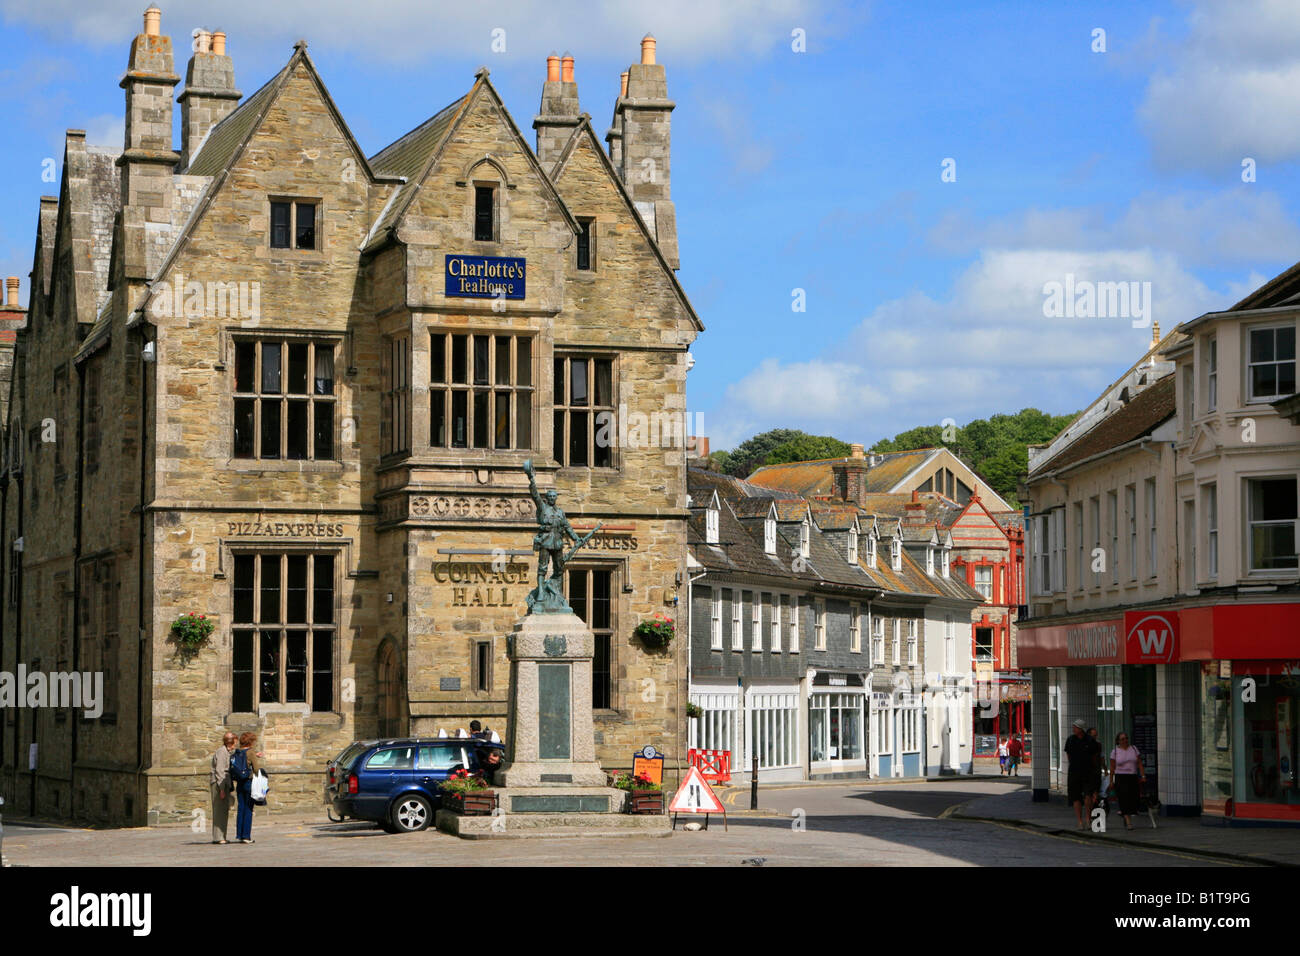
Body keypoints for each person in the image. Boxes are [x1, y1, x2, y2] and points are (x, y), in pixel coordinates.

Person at [1064, 719, 1101, 830]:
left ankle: (1088, 819)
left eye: (1075, 727)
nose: (1073, 729)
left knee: (1088, 795)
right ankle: (1079, 821)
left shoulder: (1090, 741)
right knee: (1076, 797)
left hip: (1088, 772)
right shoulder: (1070, 740)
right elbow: (1069, 755)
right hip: (1074, 772)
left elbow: (1094, 757)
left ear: (1081, 729)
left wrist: (1092, 769)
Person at [1108, 732, 1146, 830]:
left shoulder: (1133, 749)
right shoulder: (1115, 751)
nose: (1125, 741)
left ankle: (1124, 813)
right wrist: (1111, 781)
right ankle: (1128, 821)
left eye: (1126, 738)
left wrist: (1143, 775)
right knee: (1124, 798)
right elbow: (1112, 768)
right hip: (1120, 777)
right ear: (1118, 741)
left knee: (1134, 798)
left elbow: (1140, 763)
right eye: (1122, 739)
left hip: (1132, 776)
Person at [231, 731, 264, 844]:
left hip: (239, 783)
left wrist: (255, 754)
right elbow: (256, 769)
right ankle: (246, 836)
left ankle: (239, 835)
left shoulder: (237, 751)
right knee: (249, 809)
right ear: (251, 742)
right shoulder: (250, 752)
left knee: (241, 809)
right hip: (249, 783)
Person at [209, 732, 237, 844]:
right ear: (231, 741)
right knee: (219, 810)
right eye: (235, 741)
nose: (236, 743)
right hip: (219, 783)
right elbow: (220, 770)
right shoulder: (221, 752)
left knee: (223, 810)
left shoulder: (227, 751)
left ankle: (222, 836)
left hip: (224, 782)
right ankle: (218, 837)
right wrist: (221, 789)